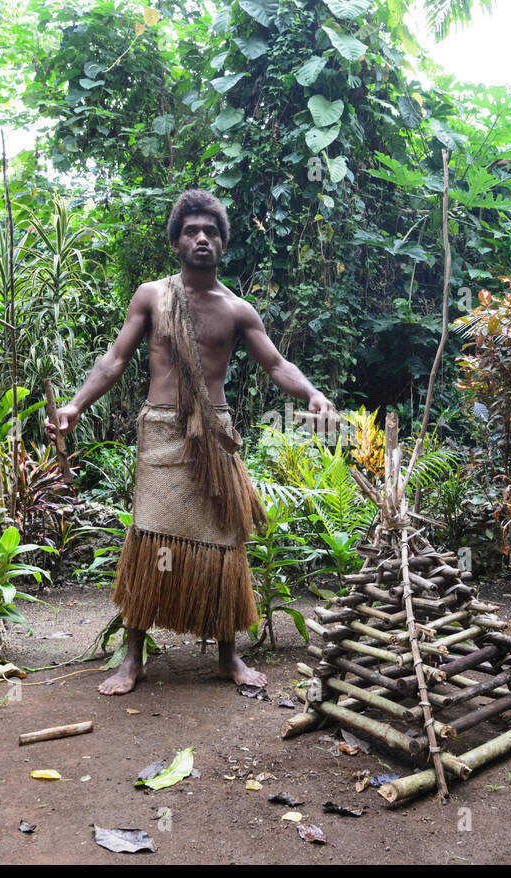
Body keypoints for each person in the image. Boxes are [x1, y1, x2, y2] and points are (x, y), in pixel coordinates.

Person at [47, 189, 338, 695]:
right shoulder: (152, 297)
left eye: (210, 232)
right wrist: (75, 405)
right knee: (149, 537)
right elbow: (113, 360)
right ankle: (132, 658)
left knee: (225, 540)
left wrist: (312, 392)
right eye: (191, 231)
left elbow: (276, 365)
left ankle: (229, 657)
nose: (201, 238)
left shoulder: (237, 310)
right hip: (161, 431)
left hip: (214, 437)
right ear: (177, 242)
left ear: (223, 243)